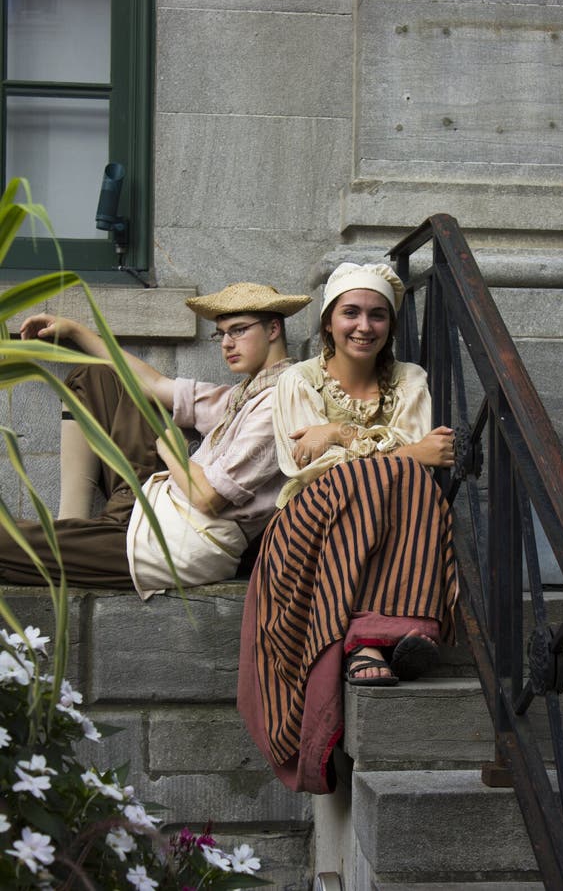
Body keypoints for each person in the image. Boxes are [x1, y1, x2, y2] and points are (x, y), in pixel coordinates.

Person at [238, 262, 458, 794]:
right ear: (328, 322)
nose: (365, 326)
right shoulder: (299, 380)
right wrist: (349, 432)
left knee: (412, 485)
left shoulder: (409, 380)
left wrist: (340, 439)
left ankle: (371, 640)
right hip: (305, 527)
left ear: (391, 325)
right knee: (394, 472)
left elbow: (415, 460)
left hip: (380, 526)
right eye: (351, 313)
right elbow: (305, 467)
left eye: (377, 315)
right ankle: (380, 635)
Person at [0, 282, 311, 598]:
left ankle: (77, 538)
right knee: (95, 378)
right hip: (158, 507)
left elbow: (208, 498)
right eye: (221, 334)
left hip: (177, 542)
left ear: (273, 330)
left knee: (5, 542)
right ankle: (74, 525)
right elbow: (154, 384)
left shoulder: (279, 404)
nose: (227, 344)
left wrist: (171, 449)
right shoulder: (241, 396)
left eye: (239, 331)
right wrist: (77, 332)